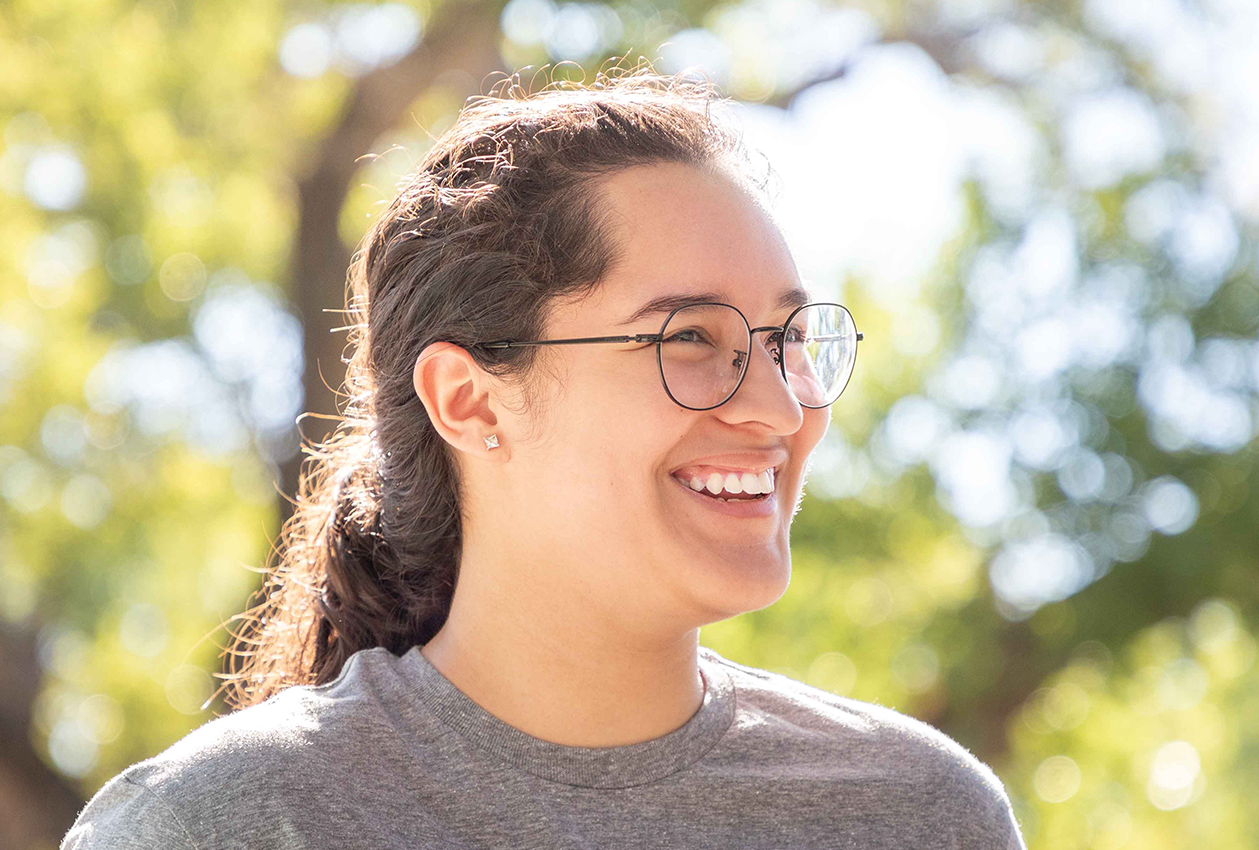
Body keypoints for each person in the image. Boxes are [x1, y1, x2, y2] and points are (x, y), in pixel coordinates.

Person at [59, 65, 1027, 849]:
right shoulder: (213, 827)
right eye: (690, 337)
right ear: (470, 400)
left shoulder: (921, 817)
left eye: (788, 340)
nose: (781, 408)